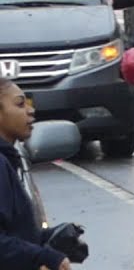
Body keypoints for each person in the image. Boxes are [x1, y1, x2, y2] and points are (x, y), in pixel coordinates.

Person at [0, 77, 71, 270]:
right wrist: (44, 256)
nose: (30, 110)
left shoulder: (9, 158)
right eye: (20, 104)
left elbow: (13, 231)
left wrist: (48, 238)